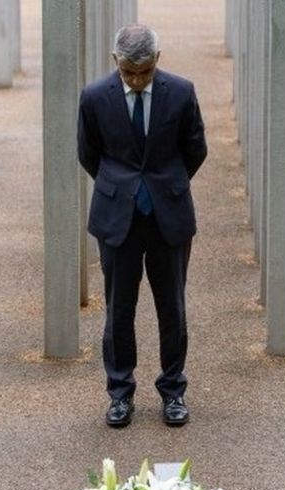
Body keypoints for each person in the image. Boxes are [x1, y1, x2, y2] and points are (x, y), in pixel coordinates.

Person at [77, 24, 207, 428]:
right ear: (116, 62)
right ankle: (119, 393)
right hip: (118, 219)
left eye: (145, 72)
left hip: (168, 216)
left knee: (173, 308)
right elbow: (88, 153)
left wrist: (164, 185)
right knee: (119, 309)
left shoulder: (181, 92)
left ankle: (173, 392)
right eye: (129, 72)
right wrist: (123, 188)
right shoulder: (95, 97)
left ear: (157, 61)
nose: (136, 80)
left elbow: (195, 149)